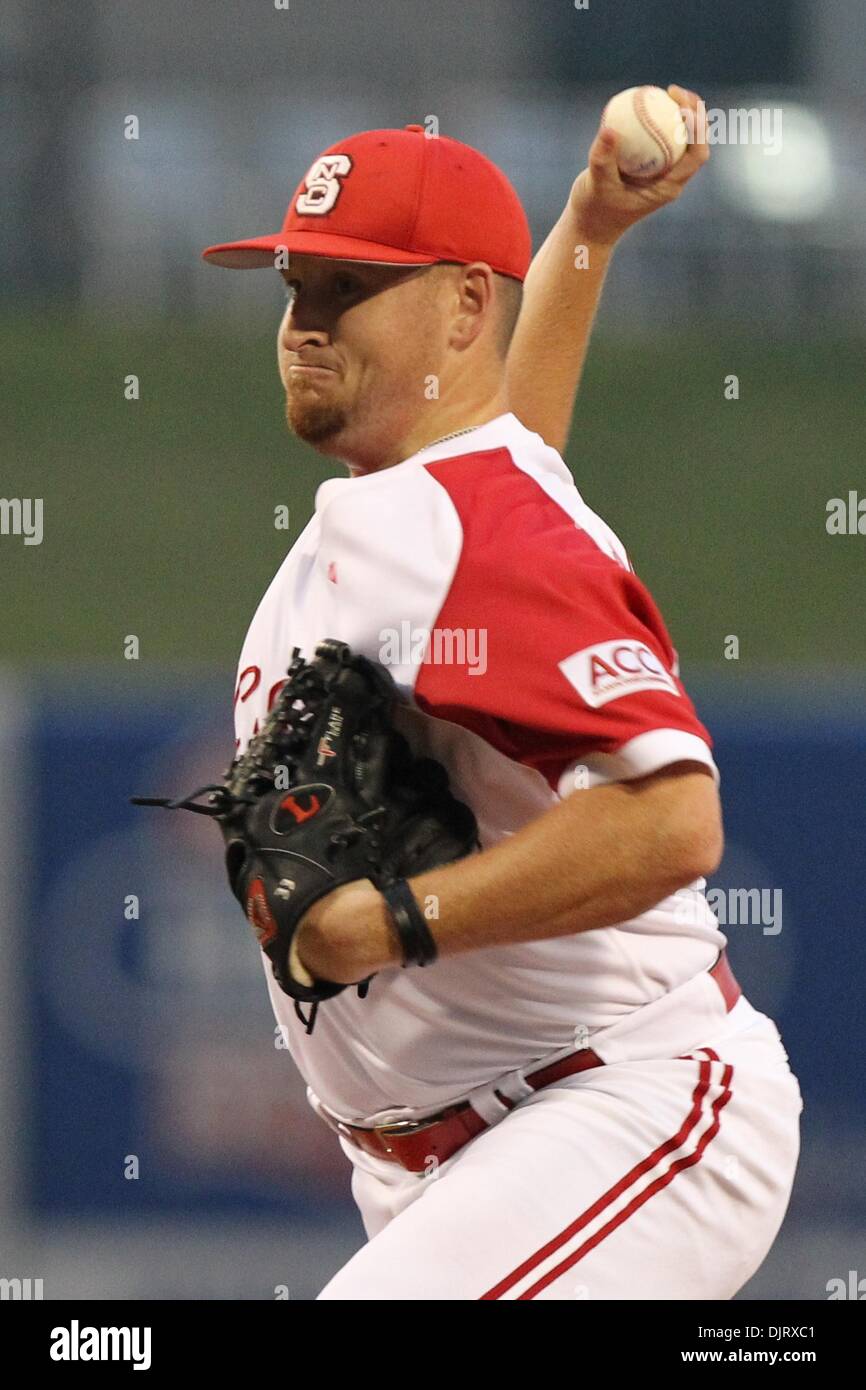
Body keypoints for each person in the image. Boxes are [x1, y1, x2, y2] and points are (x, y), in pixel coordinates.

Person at [202, 95, 802, 1300]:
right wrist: (585, 229)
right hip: (458, 1160)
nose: (304, 326)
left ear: (468, 303)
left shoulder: (479, 529)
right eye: (295, 288)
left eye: (347, 291)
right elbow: (505, 440)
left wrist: (391, 921)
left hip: (616, 1110)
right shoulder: (441, 497)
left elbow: (669, 820)